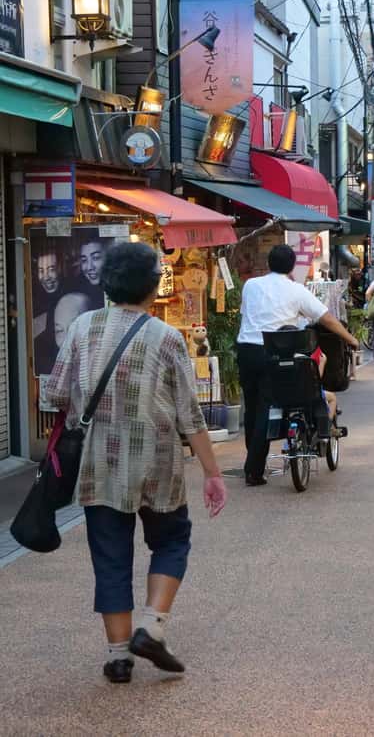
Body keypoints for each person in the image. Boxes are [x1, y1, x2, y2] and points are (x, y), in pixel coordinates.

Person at [44, 242, 228, 684]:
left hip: (99, 465)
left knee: (110, 556)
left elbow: (54, 393)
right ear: (151, 287)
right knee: (171, 540)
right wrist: (212, 472)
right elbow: (190, 413)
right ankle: (153, 627)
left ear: (107, 284)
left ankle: (118, 656)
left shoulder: (82, 327)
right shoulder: (165, 337)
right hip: (158, 464)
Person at [237, 244, 359, 486]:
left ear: (268, 263)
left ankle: (254, 462)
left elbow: (246, 314)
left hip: (246, 350)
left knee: (251, 408)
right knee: (266, 407)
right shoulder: (297, 291)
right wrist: (351, 340)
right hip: (274, 353)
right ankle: (253, 470)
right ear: (292, 266)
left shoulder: (251, 285)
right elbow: (327, 319)